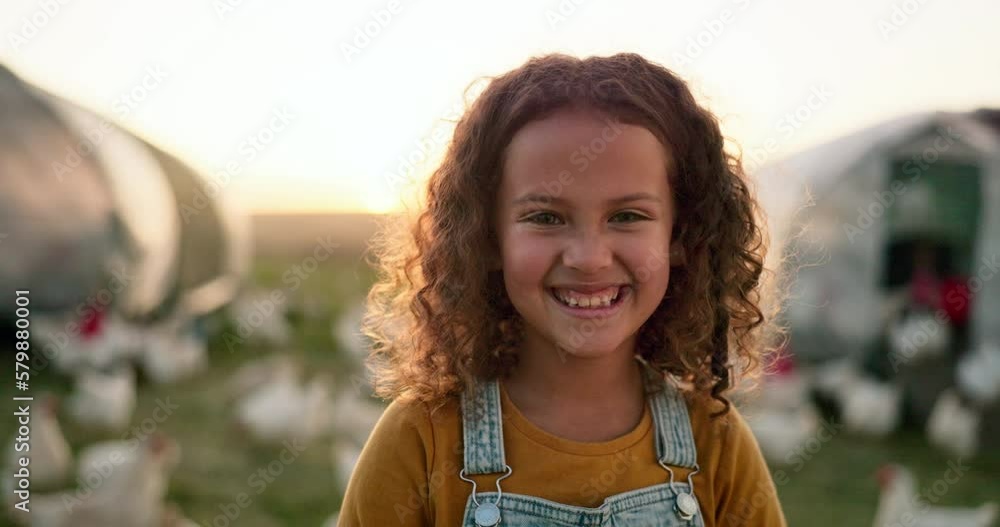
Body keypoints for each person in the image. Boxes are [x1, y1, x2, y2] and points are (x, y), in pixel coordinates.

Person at [339, 52, 786, 526]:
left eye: (627, 217)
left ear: (681, 238)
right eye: (546, 218)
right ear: (488, 240)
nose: (589, 257)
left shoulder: (715, 445)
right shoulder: (421, 440)